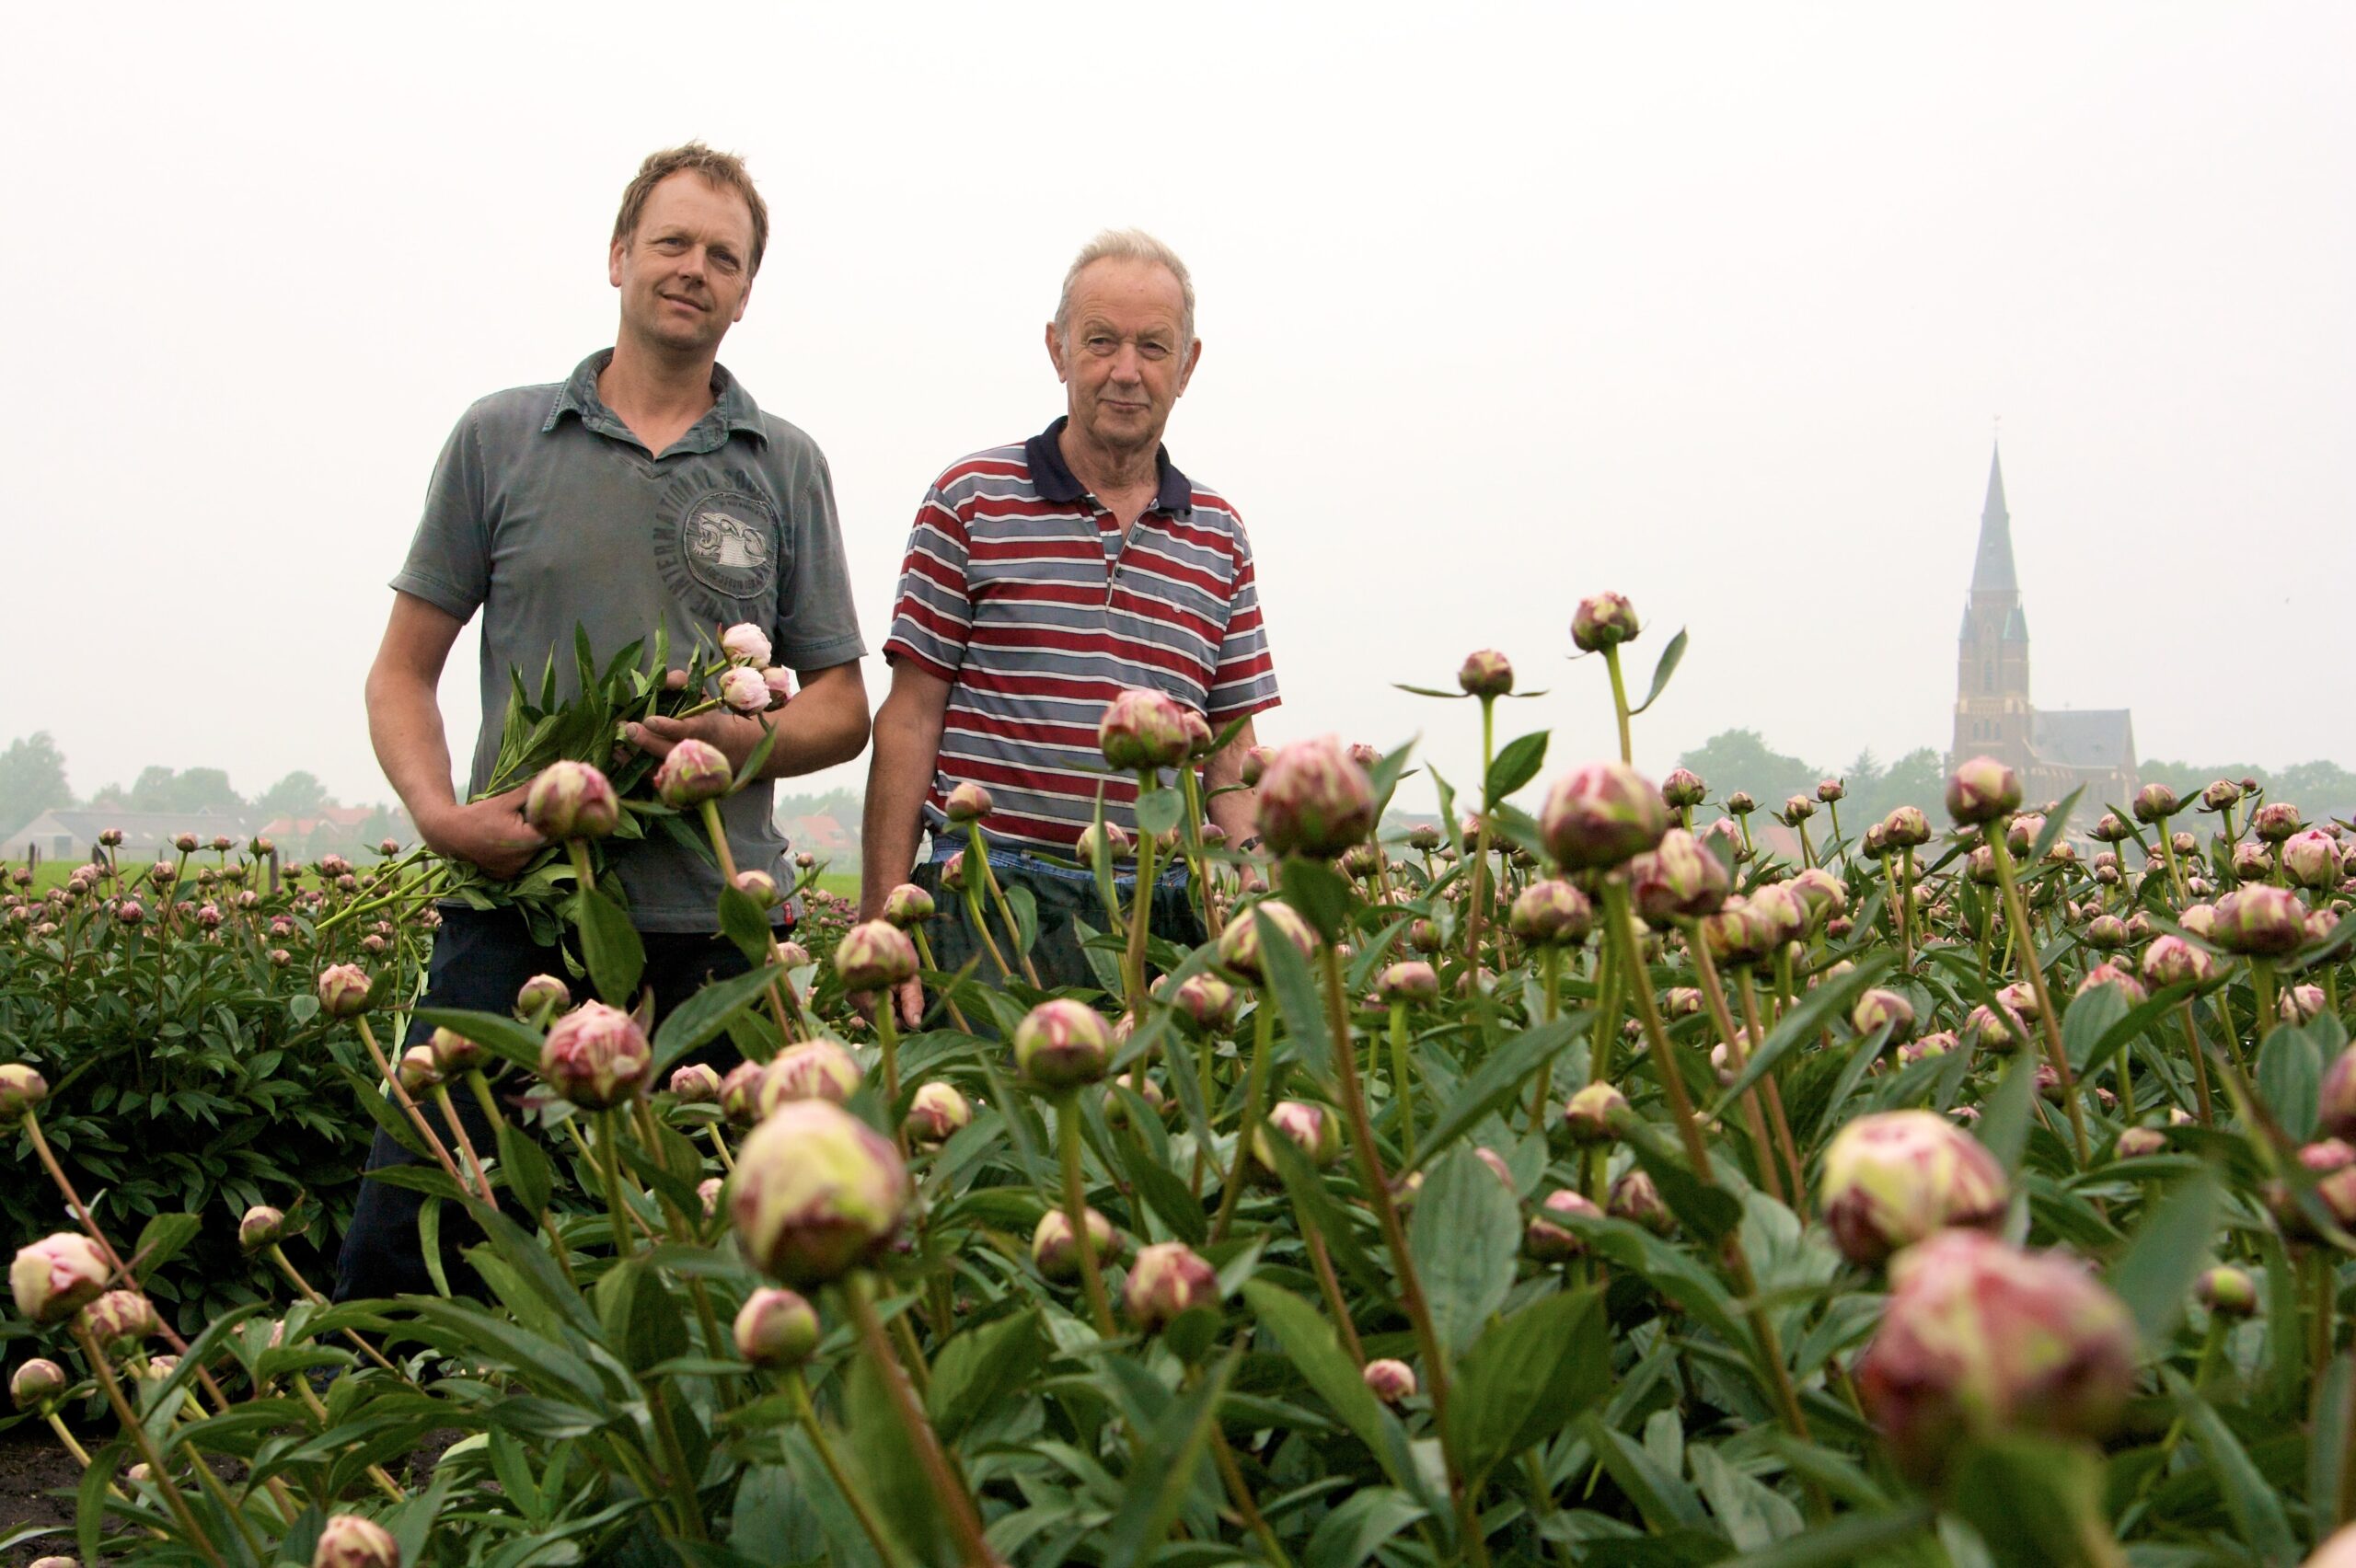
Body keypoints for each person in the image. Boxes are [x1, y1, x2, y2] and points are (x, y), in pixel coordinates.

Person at [345, 144, 870, 1299]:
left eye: (723, 256)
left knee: (754, 1258)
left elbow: (842, 707)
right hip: (516, 896)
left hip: (717, 918)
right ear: (619, 255)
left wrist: (739, 742)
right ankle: (381, 1409)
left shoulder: (785, 465)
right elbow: (401, 671)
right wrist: (440, 816)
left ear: (747, 292)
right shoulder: (501, 437)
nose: (694, 269)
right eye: (672, 242)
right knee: (416, 1238)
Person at [860, 229, 1277, 1022]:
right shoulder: (970, 499)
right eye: (1101, 341)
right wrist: (883, 921)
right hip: (985, 899)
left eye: (1153, 347)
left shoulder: (1219, 534)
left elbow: (1231, 751)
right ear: (1057, 349)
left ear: (1188, 365)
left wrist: (1261, 896)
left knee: (1154, 1103)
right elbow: (910, 718)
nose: (1126, 370)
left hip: (1159, 909)